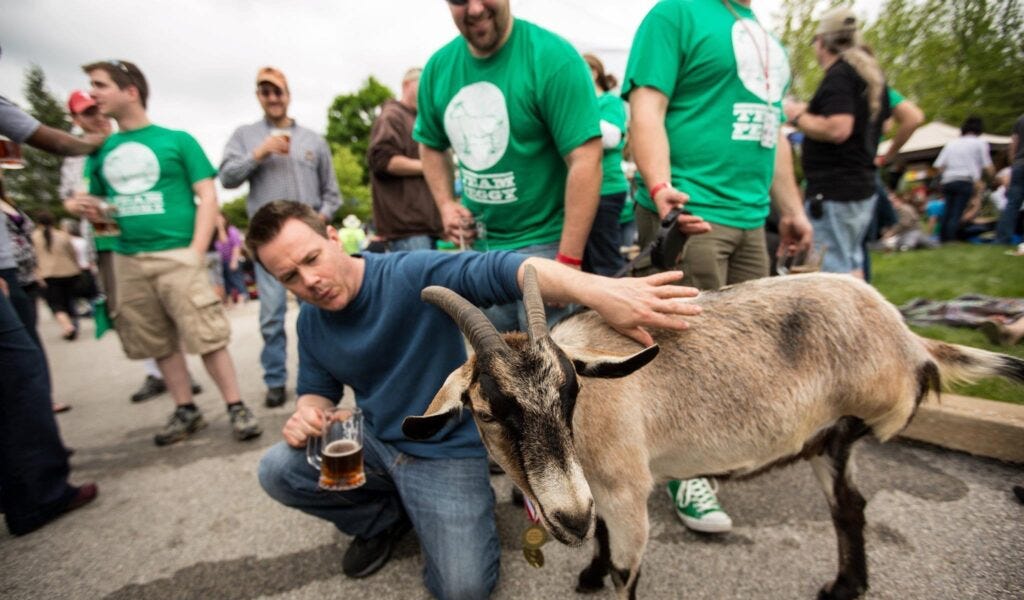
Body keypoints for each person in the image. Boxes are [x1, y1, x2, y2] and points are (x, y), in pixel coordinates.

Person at [247, 200, 703, 599]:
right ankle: (382, 521)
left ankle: (430, 510)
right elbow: (316, 393)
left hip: (443, 449)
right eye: (290, 276)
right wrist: (306, 413)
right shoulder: (310, 322)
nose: (310, 280)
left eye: (312, 258)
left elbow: (501, 269)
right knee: (278, 470)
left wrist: (598, 290)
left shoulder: (407, 273)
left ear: (332, 237)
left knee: (464, 588)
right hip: (380, 440)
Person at [623, 0, 812, 533]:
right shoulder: (675, 15)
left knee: (745, 351)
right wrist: (660, 188)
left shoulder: (761, 33)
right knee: (688, 351)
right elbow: (646, 107)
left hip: (752, 218)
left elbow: (773, 133)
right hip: (692, 210)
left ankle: (712, 451)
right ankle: (685, 473)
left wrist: (792, 211)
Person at [81, 59, 261, 445]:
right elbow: (93, 201)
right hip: (127, 257)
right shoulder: (101, 150)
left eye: (100, 85)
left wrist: (196, 251)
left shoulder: (176, 140)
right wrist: (79, 207)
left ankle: (235, 405)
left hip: (177, 252)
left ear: (130, 91)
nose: (93, 93)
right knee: (156, 339)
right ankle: (185, 408)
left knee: (207, 334)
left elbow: (208, 194)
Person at [415, 0, 604, 332]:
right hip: (479, 252)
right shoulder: (438, 69)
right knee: (496, 372)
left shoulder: (552, 58)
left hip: (546, 246)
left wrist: (569, 261)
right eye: (459, 0)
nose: (474, 9)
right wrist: (445, 204)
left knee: (553, 373)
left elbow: (585, 159)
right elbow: (430, 144)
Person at [61, 89, 200, 404]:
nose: (96, 116)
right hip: (105, 241)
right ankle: (157, 373)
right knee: (134, 315)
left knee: (170, 310)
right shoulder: (78, 156)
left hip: (141, 239)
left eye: (97, 109)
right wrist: (80, 204)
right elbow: (68, 200)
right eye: (87, 113)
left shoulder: (127, 142)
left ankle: (177, 374)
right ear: (75, 119)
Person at [1, 88, 98, 536]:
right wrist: (96, 143)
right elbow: (54, 141)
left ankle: (26, 489)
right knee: (21, 375)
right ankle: (40, 491)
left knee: (24, 368)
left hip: (21, 276)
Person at [219, 66, 342, 409]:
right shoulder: (245, 136)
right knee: (271, 315)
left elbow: (333, 193)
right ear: (259, 96)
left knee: (322, 309)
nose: (273, 97)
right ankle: (275, 379)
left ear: (288, 95)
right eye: (265, 91)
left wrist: (319, 220)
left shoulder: (313, 141)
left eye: (278, 91)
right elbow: (226, 177)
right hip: (271, 251)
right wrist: (258, 153)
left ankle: (327, 375)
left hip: (308, 245)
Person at [784, 6, 891, 278]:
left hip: (835, 190)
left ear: (821, 42)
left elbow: (838, 128)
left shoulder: (841, 75)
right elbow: (886, 124)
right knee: (850, 262)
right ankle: (861, 321)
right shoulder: (868, 76)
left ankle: (842, 322)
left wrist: (797, 117)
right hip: (858, 186)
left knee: (830, 272)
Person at [367, 67, 442, 251]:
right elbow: (381, 160)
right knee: (420, 280)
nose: (428, 89)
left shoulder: (419, 118)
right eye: (423, 84)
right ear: (407, 85)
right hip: (407, 229)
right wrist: (429, 166)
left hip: (425, 228)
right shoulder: (392, 115)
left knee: (430, 280)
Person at [581, 53, 628, 276]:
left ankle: (619, 306)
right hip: (585, 191)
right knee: (588, 258)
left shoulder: (609, 102)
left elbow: (611, 137)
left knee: (605, 257)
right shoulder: (590, 104)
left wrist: (573, 115)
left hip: (606, 189)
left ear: (593, 72)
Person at [932, 116, 994, 242]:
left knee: (948, 209)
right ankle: (950, 239)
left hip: (948, 181)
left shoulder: (951, 143)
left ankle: (942, 238)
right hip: (964, 180)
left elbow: (938, 166)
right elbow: (987, 166)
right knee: (957, 211)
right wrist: (993, 178)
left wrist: (946, 176)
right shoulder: (980, 143)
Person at [31, 210, 83, 340]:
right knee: (69, 300)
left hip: (48, 275)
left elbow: (32, 259)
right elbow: (73, 253)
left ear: (38, 223)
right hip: (69, 272)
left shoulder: (33, 237)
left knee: (55, 303)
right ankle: (74, 323)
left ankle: (67, 327)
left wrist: (36, 274)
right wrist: (77, 267)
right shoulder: (62, 235)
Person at [995, 112, 1024, 245]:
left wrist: (1014, 164)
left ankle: (1002, 239)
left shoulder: (1020, 119)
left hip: (1019, 165)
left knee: (1012, 204)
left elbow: (1014, 143)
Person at [215, 211, 248, 306]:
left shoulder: (231, 230)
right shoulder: (215, 233)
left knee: (236, 278)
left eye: (220, 218)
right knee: (225, 281)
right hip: (221, 261)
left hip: (232, 258)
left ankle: (243, 296)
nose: (218, 220)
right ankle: (229, 300)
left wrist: (234, 261)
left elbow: (236, 246)